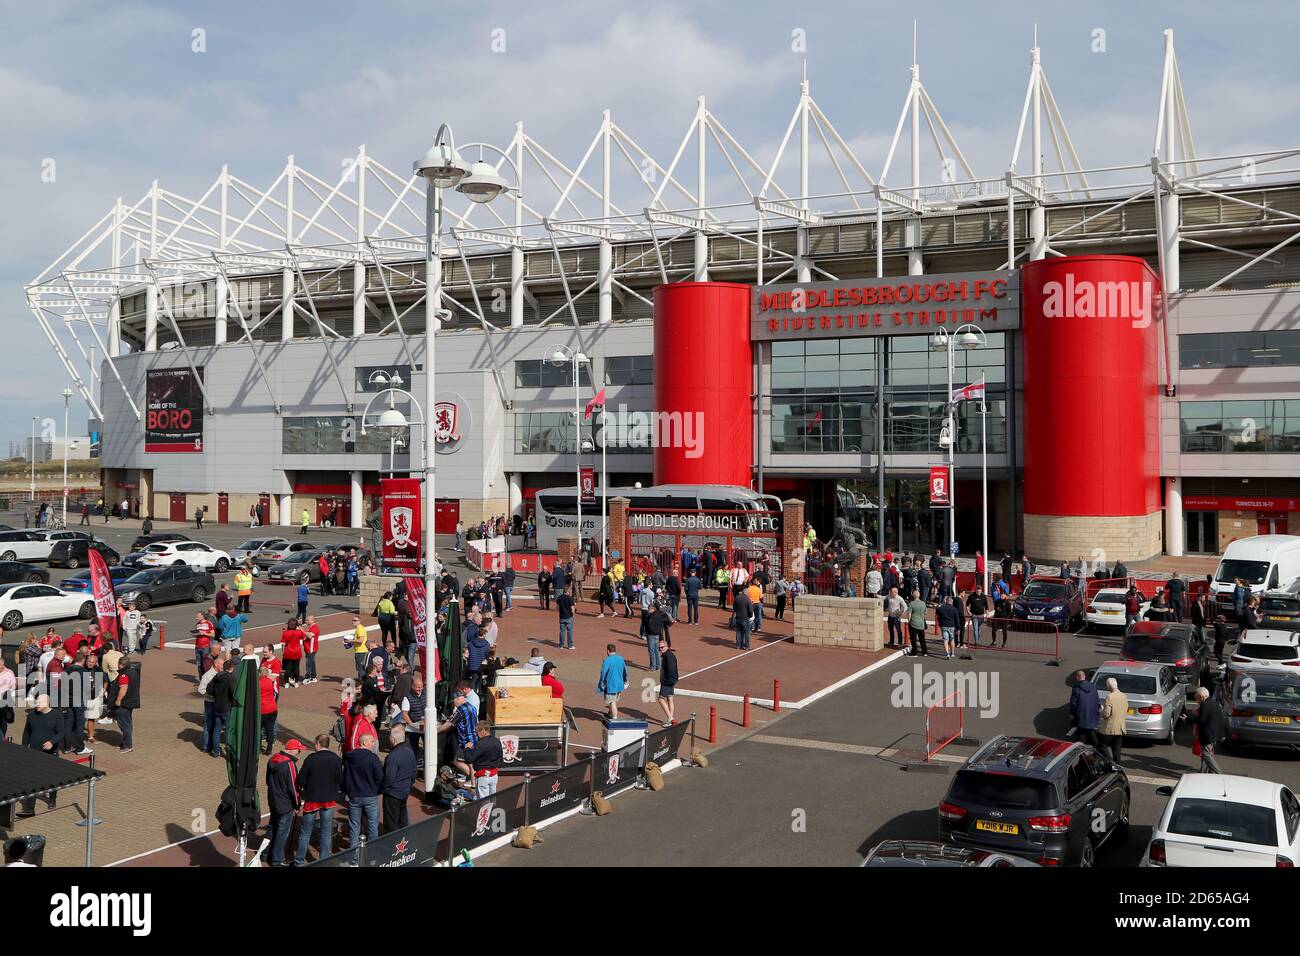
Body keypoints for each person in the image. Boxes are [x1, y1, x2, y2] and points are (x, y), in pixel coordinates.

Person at [294, 734, 344, 866]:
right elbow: (340, 779)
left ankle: (299, 860)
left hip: (312, 799)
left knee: (306, 831)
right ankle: (324, 860)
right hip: (329, 799)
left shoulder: (311, 759)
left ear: (317, 744)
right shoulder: (336, 759)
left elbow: (301, 780)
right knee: (326, 831)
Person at [17, 693, 64, 816]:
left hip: (50, 753)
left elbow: (61, 732)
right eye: (36, 702)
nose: (37, 704)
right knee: (32, 780)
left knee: (52, 778)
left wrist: (51, 742)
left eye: (40, 702)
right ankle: (30, 808)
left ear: (47, 703)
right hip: (34, 752)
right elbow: (26, 733)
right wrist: (24, 749)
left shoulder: (56, 715)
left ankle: (52, 798)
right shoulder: (32, 715)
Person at [344, 733, 383, 865]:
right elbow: (379, 776)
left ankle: (354, 859)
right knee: (372, 826)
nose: (374, 744)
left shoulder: (348, 757)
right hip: (370, 796)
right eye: (372, 742)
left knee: (354, 828)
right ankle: (372, 857)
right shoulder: (372, 758)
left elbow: (346, 777)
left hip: (354, 796)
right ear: (365, 743)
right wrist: (375, 789)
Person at [265, 739, 304, 866]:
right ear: (292, 750)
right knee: (282, 832)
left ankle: (265, 853)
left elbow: (267, 781)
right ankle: (277, 860)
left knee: (272, 827)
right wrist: (297, 804)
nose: (299, 752)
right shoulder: (289, 764)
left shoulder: (272, 759)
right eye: (298, 750)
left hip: (273, 799)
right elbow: (294, 787)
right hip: (285, 804)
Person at [1183, 686, 1227, 774]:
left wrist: (1188, 720)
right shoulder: (1214, 703)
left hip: (1208, 735)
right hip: (1215, 734)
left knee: (1206, 755)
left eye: (1197, 697)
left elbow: (1201, 720)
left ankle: (1219, 773)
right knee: (1205, 754)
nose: (1196, 700)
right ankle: (1203, 773)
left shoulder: (1205, 705)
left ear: (1201, 696)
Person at [381, 726, 417, 832]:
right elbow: (413, 772)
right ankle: (403, 843)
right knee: (402, 819)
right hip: (404, 791)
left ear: (393, 740)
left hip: (393, 793)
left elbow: (389, 778)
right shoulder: (410, 752)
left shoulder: (392, 756)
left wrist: (382, 788)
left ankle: (391, 844)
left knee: (391, 822)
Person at [459, 723, 503, 798]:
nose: (476, 734)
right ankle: (492, 810)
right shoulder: (497, 741)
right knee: (492, 799)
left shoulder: (481, 744)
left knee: (483, 801)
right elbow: (501, 758)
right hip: (494, 775)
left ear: (483, 730)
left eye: (477, 732)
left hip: (483, 777)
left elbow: (469, 759)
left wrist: (467, 748)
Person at [1068, 670, 1102, 751]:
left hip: (1081, 714)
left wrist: (1072, 713)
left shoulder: (1076, 688)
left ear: (1077, 677)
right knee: (1090, 730)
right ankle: (1096, 747)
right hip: (1091, 713)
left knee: (1081, 733)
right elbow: (1097, 700)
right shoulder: (1093, 687)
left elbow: (1073, 703)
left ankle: (1081, 750)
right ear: (1085, 677)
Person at [1098, 676, 1127, 764]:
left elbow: (1106, 714)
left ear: (1109, 686)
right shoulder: (1124, 696)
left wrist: (1101, 711)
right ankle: (1117, 764)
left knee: (1103, 746)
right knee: (1117, 748)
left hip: (1110, 728)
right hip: (1120, 727)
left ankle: (1110, 762)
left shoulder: (1110, 697)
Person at [597, 644, 627, 719]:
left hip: (611, 684)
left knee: (612, 702)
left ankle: (614, 718)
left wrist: (602, 682)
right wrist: (626, 681)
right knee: (614, 700)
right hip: (619, 684)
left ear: (608, 651)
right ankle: (610, 713)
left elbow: (603, 672)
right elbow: (625, 670)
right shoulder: (621, 658)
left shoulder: (607, 660)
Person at [259, 664, 279, 755]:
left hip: (262, 710)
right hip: (272, 709)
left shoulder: (258, 683)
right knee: (269, 730)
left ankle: (258, 747)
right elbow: (276, 692)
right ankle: (269, 748)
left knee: (259, 729)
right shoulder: (270, 681)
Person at [658, 638, 678, 727]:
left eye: (662, 647)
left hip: (668, 681)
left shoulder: (668, 656)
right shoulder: (669, 655)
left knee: (661, 699)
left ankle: (671, 718)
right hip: (672, 680)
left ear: (666, 647)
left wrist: (666, 681)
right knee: (670, 699)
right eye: (659, 648)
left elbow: (671, 669)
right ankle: (670, 719)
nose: (661, 649)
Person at [280, 620, 306, 688]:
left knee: (288, 668)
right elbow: (304, 637)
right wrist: (300, 629)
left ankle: (286, 683)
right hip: (297, 652)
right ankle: (296, 682)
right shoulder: (298, 632)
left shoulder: (285, 633)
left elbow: (283, 644)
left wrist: (283, 652)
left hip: (288, 652)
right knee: (296, 668)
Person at [906, 589, 929, 657]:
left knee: (913, 639)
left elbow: (909, 614)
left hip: (913, 623)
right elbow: (926, 612)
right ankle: (925, 652)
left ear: (913, 596)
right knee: (922, 638)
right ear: (919, 596)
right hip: (921, 623)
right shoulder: (923, 603)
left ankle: (914, 652)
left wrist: (909, 621)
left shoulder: (911, 604)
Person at [936, 596, 960, 660]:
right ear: (951, 602)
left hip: (943, 625)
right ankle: (952, 653)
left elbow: (938, 615)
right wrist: (958, 628)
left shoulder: (941, 608)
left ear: (946, 601)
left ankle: (947, 653)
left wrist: (940, 624)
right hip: (952, 626)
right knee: (952, 639)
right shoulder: (954, 609)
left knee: (945, 640)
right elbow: (957, 619)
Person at [732, 584, 754, 651]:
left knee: (738, 631)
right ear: (746, 593)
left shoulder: (737, 597)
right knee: (746, 632)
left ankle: (738, 645)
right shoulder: (747, 599)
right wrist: (750, 616)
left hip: (738, 617)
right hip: (745, 618)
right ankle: (746, 646)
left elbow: (734, 608)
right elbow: (750, 610)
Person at [556, 586, 575, 651]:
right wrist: (573, 615)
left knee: (562, 631)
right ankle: (570, 645)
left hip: (562, 617)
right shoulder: (570, 598)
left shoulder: (559, 598)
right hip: (569, 616)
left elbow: (557, 608)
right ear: (567, 591)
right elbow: (572, 608)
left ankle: (561, 645)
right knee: (569, 631)